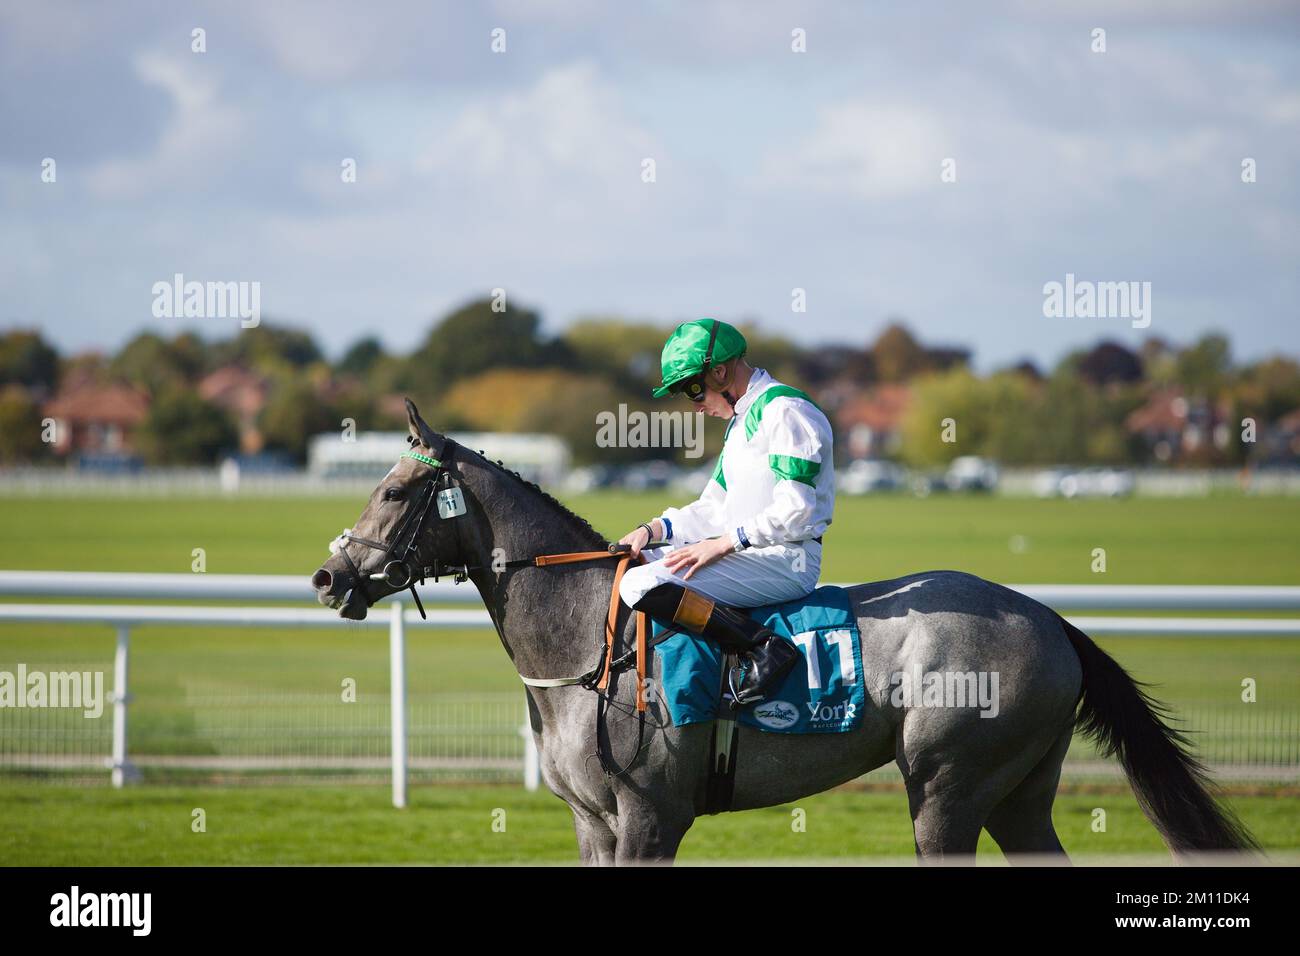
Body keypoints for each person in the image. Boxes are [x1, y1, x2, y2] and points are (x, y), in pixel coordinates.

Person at [617, 318, 835, 708]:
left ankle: (765, 648)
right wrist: (652, 530)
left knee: (639, 586)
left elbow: (797, 510)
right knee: (632, 570)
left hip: (787, 560)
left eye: (693, 391)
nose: (696, 407)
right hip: (749, 553)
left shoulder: (785, 411)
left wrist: (723, 544)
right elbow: (714, 508)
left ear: (719, 371)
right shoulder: (740, 425)